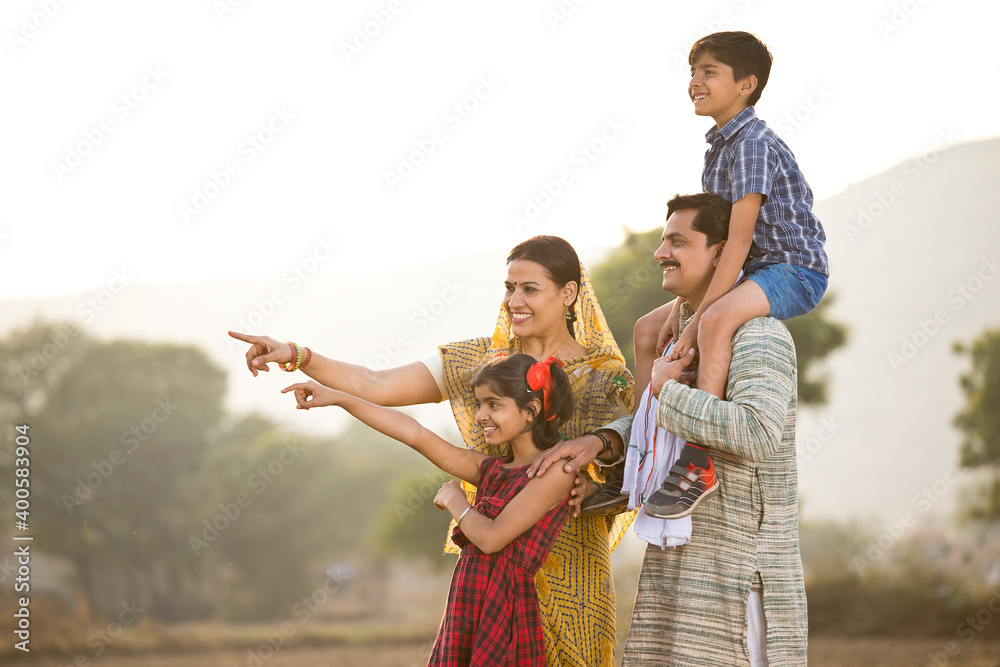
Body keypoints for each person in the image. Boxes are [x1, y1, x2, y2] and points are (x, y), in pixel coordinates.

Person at [229, 235, 634, 667]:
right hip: (488, 581)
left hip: (574, 573)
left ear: (569, 293)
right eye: (509, 287)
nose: (514, 299)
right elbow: (376, 385)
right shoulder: (477, 362)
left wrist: (593, 484)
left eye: (529, 289)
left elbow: (636, 469)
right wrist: (296, 354)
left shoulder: (607, 378)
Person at [530, 192, 808, 665]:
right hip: (675, 568)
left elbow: (759, 432)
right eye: (662, 241)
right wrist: (603, 442)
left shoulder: (760, 334)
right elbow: (656, 423)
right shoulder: (674, 332)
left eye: (677, 241)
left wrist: (667, 389)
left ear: (721, 253)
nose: (661, 254)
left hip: (737, 575)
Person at [628, 30, 829, 520]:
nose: (695, 81)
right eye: (693, 72)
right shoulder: (718, 148)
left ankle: (699, 461)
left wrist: (697, 319)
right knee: (648, 329)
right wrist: (679, 307)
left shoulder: (753, 144)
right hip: (748, 270)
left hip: (790, 269)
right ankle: (636, 449)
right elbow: (713, 249)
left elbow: (736, 244)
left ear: (746, 84)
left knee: (716, 323)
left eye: (709, 72)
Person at [281, 353, 575, 665]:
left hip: (504, 607)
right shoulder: (489, 469)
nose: (480, 416)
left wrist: (455, 500)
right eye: (479, 405)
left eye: (494, 404)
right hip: (468, 598)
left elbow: (491, 539)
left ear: (531, 411)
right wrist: (340, 398)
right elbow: (415, 434)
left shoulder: (556, 471)